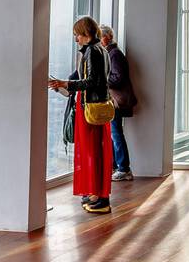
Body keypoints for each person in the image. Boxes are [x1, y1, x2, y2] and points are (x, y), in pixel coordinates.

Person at [49, 16, 114, 213]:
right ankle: (96, 193)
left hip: (90, 107)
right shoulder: (101, 50)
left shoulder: (92, 52)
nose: (76, 39)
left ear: (86, 34)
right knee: (95, 152)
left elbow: (92, 81)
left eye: (77, 35)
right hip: (97, 106)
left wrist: (66, 84)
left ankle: (97, 195)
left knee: (91, 152)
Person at [100, 25, 136, 182]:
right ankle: (117, 167)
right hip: (113, 101)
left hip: (116, 102)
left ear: (107, 37)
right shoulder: (111, 53)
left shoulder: (114, 54)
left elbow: (118, 78)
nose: (98, 40)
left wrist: (101, 82)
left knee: (115, 134)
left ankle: (123, 168)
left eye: (100, 37)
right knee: (113, 133)